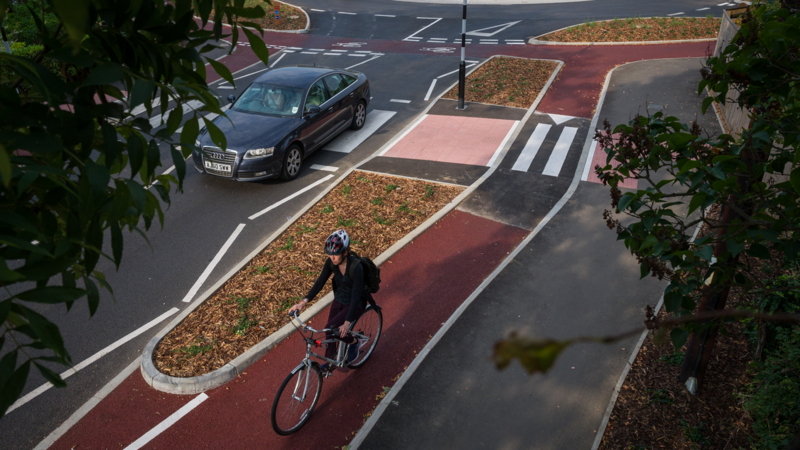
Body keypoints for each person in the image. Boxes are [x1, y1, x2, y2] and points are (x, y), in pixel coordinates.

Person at [288, 229, 372, 374]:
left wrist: (347, 321)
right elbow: (320, 283)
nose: (332, 257)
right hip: (339, 299)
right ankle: (331, 363)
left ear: (345, 252)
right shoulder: (331, 262)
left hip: (355, 302)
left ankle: (354, 342)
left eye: (335, 254)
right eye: (330, 254)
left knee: (335, 329)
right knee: (329, 332)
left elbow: (357, 295)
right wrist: (303, 302)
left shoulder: (356, 267)